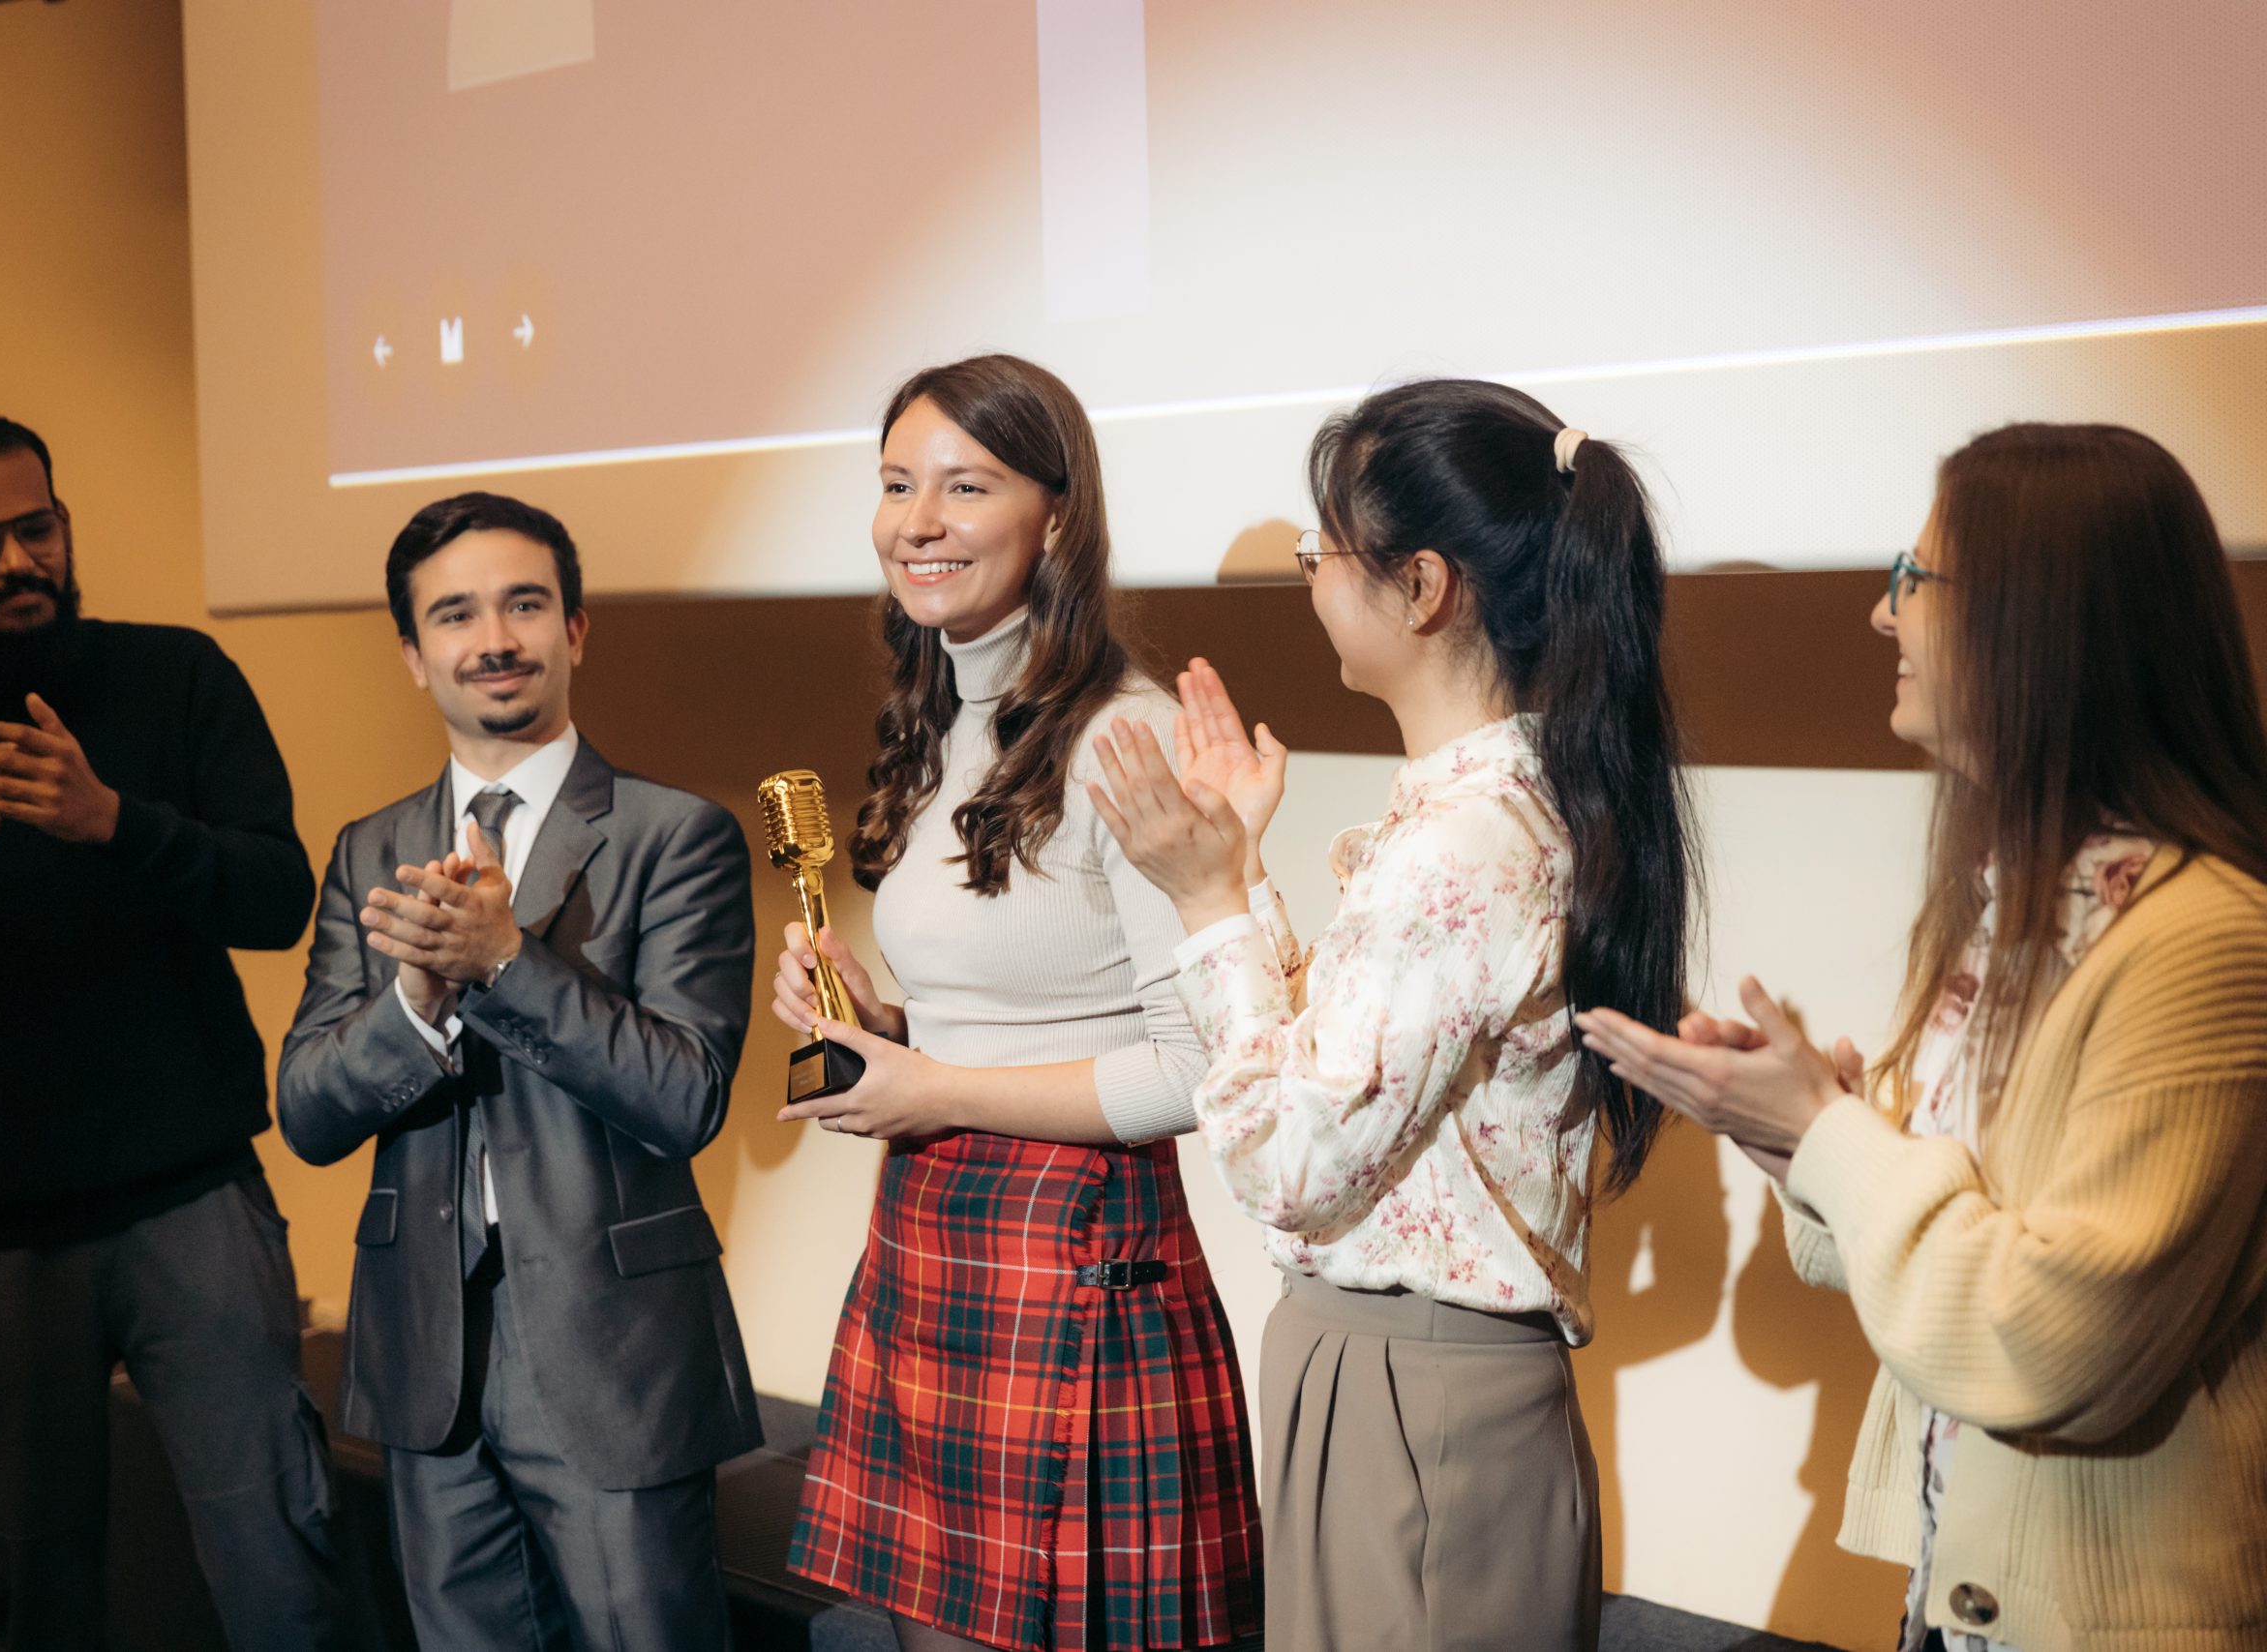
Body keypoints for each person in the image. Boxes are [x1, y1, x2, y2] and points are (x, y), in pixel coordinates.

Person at [1577, 423, 2267, 1652]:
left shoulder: (2205, 944)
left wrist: (1832, 1131)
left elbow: (2039, 1339)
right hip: (1961, 1597)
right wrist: (1786, 1131)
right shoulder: (2015, 904)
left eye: (1916, 578)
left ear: (2036, 621)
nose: (1883, 617)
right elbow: (1916, 1271)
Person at [1090, 380, 1694, 1650]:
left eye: (1322, 550)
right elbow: (1340, 1077)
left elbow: (1291, 1162)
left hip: (1415, 1395)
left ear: (1422, 587)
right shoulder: (1483, 807)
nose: (1308, 577)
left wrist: (1207, 899)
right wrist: (1238, 872)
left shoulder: (1467, 838)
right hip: (1393, 1377)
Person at [0, 414, 346, 1650]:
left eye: (36, 528)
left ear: (65, 525)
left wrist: (116, 824)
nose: (17, 562)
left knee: (281, 1571)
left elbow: (276, 895)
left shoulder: (179, 675)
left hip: (191, 1199)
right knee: (36, 1595)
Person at [772, 355, 1263, 1652]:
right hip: (936, 1232)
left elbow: (1205, 1067)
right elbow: (1011, 1008)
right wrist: (882, 1031)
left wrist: (930, 1086)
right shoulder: (939, 720)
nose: (915, 520)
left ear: (1057, 514)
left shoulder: (1123, 733)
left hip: (1077, 1258)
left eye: (964, 484)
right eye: (894, 485)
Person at [277, 491, 760, 1652]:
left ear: (575, 629)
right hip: (425, 1363)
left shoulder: (672, 835)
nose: (492, 636)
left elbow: (684, 1093)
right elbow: (306, 1106)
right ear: (413, 655)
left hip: (614, 1357)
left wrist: (504, 961)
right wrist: (418, 1003)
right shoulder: (369, 851)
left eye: (524, 603)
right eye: (454, 614)